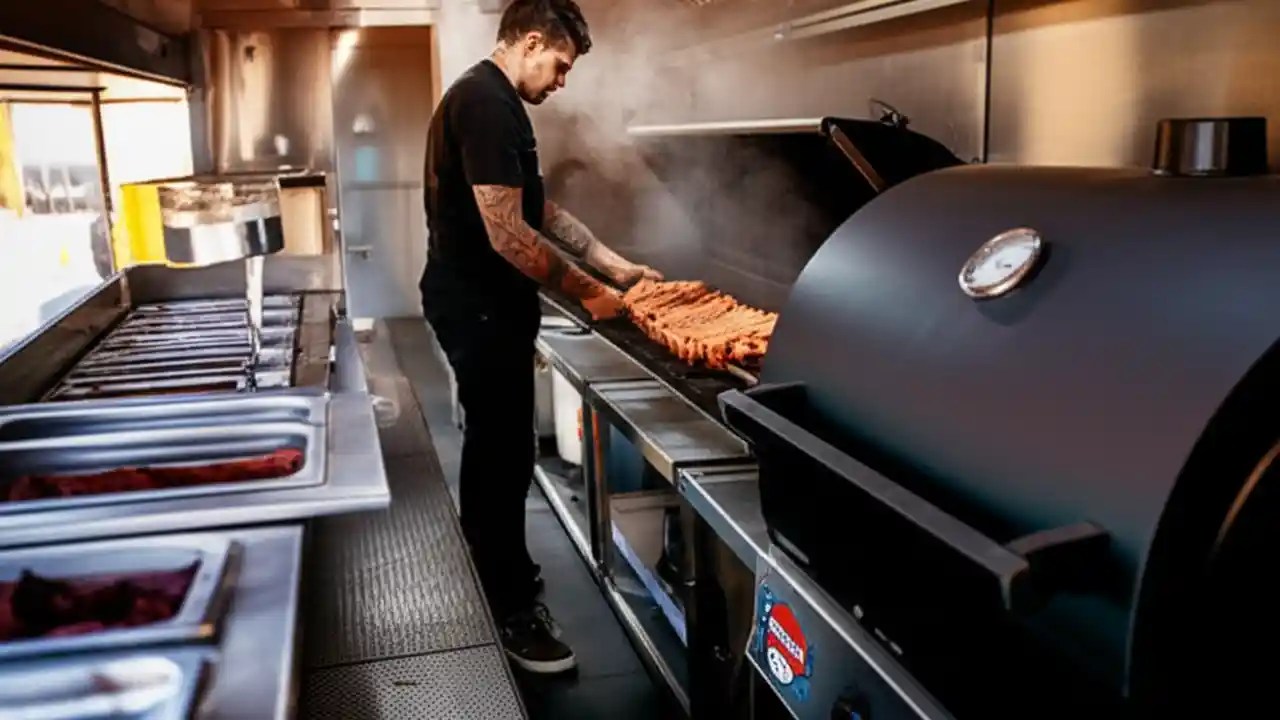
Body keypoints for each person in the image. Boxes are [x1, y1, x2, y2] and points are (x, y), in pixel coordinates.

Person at [420, 0, 661, 674]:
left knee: (505, 447)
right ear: (530, 42)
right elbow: (506, 232)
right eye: (560, 65)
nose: (562, 81)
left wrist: (611, 265)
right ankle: (507, 607)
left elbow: (537, 209)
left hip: (487, 307)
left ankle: (496, 574)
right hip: (477, 308)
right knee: (500, 455)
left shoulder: (496, 104)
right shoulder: (485, 104)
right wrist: (592, 296)